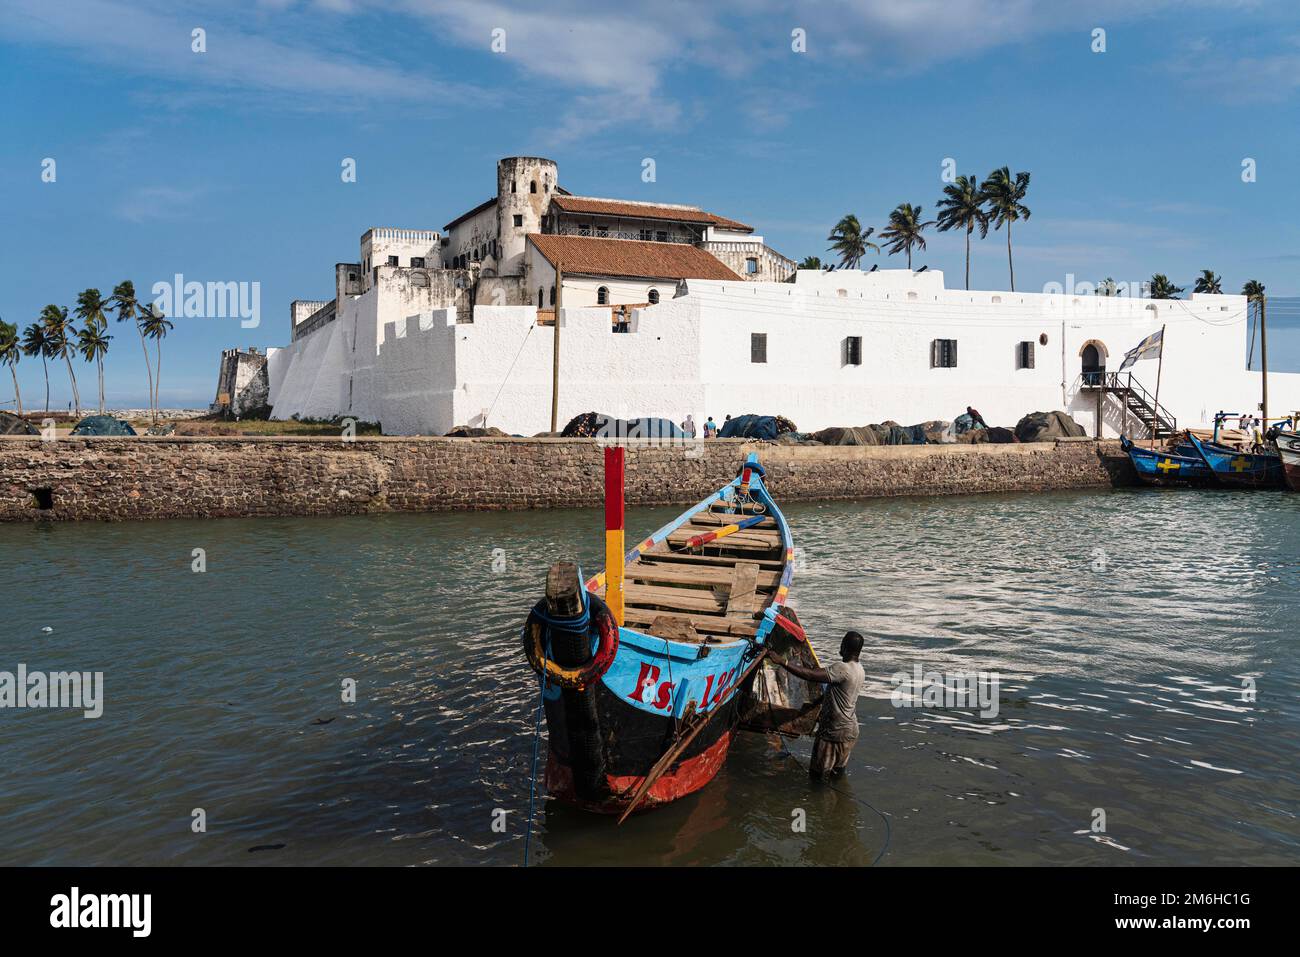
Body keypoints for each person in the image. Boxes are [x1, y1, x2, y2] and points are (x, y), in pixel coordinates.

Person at [770, 631, 865, 779]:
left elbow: (810, 675)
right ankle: (837, 800)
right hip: (850, 731)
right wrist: (817, 703)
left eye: (842, 642)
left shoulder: (842, 668)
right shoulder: (859, 669)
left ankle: (820, 799)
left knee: (816, 777)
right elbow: (841, 693)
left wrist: (782, 661)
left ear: (845, 647)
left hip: (833, 732)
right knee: (836, 775)